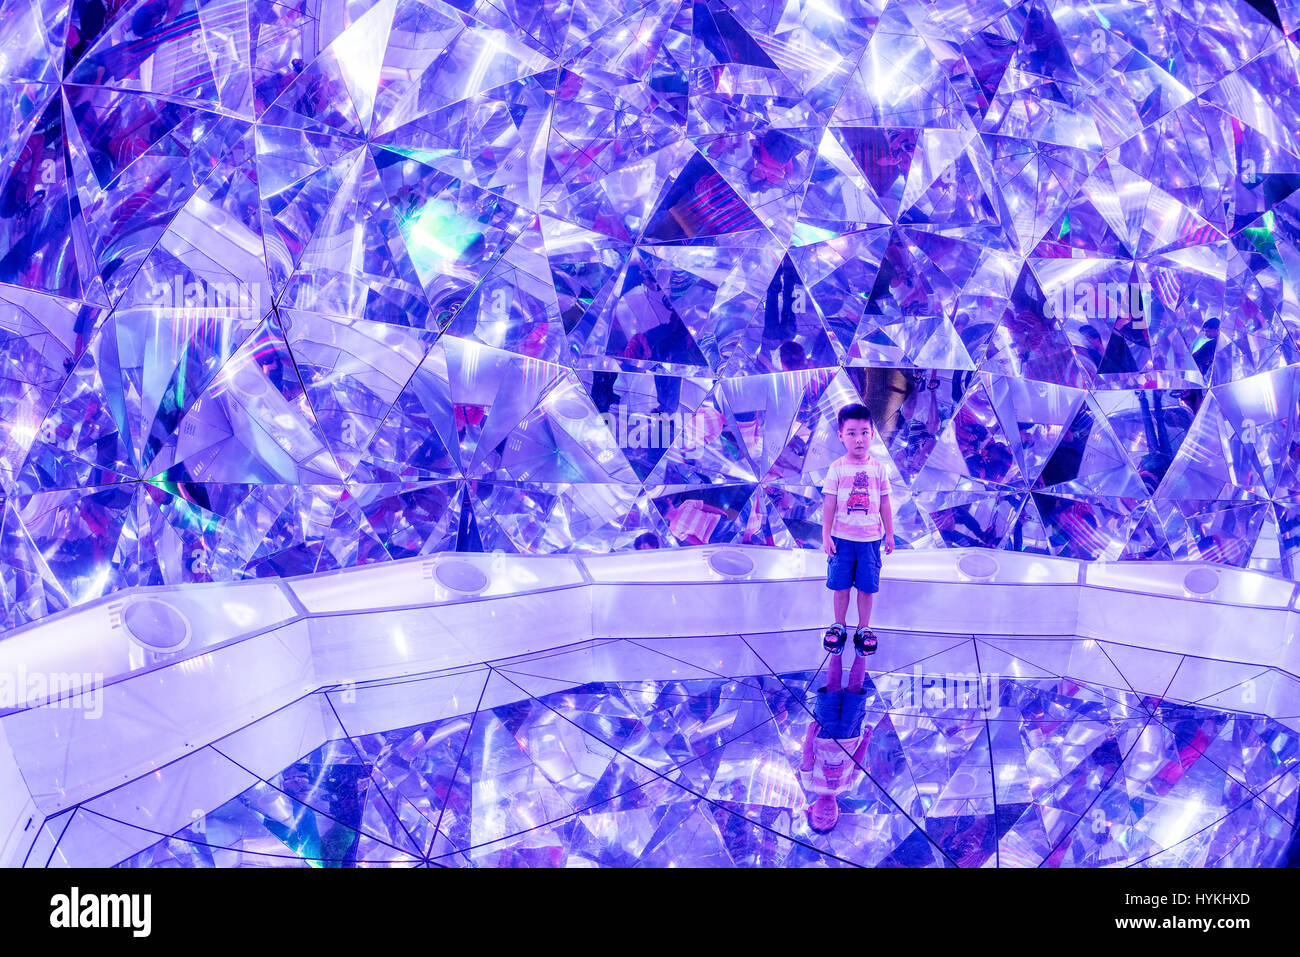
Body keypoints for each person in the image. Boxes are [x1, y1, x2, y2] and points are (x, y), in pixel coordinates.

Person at [821, 403, 893, 655]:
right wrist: (825, 534)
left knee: (866, 587)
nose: (858, 439)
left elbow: (885, 502)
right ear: (841, 436)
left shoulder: (879, 469)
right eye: (851, 433)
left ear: (872, 433)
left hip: (871, 540)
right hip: (841, 539)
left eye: (864, 432)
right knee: (840, 586)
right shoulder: (837, 468)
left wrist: (890, 533)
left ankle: (864, 627)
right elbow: (829, 503)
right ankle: (839, 625)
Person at [799, 650, 872, 834]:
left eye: (819, 817)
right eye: (831, 819)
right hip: (851, 734)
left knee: (832, 689)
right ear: (839, 812)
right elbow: (856, 763)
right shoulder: (848, 785)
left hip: (823, 734)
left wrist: (809, 738)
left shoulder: (810, 785)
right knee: (855, 690)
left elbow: (807, 759)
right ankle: (861, 653)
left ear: (810, 809)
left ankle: (836, 651)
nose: (826, 814)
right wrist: (865, 741)